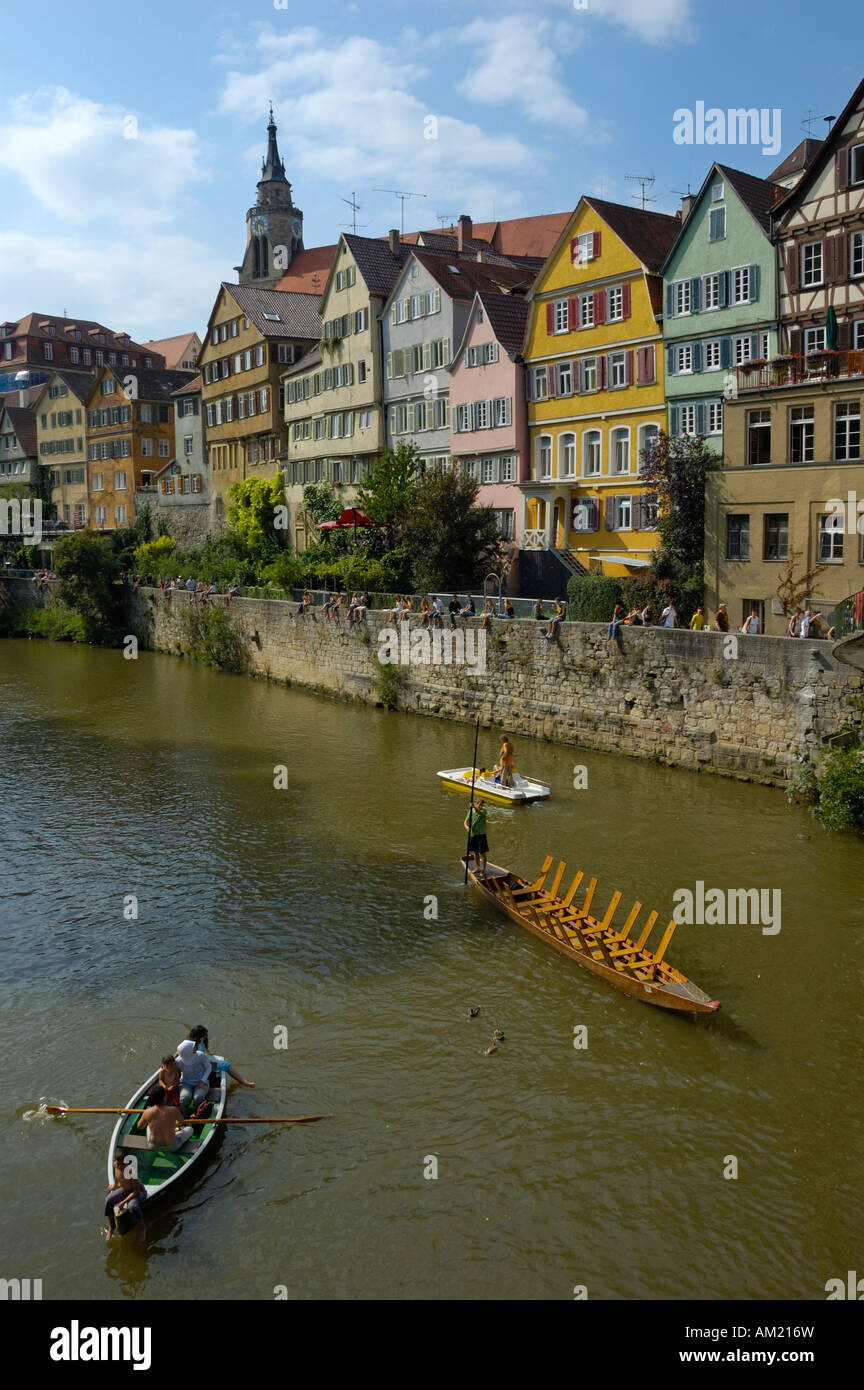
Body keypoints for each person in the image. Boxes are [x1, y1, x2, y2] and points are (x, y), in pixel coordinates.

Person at [135, 1085, 195, 1152]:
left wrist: (148, 1119)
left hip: (153, 1146)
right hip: (172, 1147)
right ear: (164, 1097)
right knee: (190, 1129)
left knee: (148, 1127)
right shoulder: (173, 1110)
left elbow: (139, 1126)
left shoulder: (147, 1112)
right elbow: (181, 1122)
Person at [104, 1155, 146, 1244]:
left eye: (121, 1164)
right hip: (125, 1189)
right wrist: (115, 1186)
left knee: (132, 1207)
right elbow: (116, 1176)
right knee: (108, 1200)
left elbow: (136, 1191)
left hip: (137, 1192)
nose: (119, 1166)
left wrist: (124, 1202)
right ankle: (111, 1226)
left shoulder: (131, 1172)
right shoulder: (116, 1165)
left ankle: (141, 1228)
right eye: (117, 1163)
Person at [464, 798, 489, 878]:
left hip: (481, 834)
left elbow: (480, 813)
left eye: (482, 805)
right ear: (477, 803)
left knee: (482, 853)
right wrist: (467, 827)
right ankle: (478, 867)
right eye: (480, 805)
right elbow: (465, 821)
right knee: (475, 852)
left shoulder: (484, 811)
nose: (481, 806)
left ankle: (483, 870)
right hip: (473, 834)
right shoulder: (471, 811)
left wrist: (473, 807)